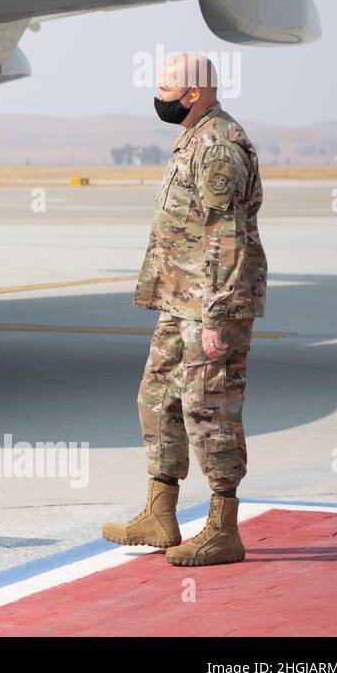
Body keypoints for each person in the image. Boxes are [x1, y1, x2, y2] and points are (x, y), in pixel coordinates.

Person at [102, 53, 267, 567]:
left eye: (167, 87)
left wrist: (217, 315)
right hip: (181, 299)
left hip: (211, 302)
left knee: (209, 408)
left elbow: (226, 235)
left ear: (194, 93)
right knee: (158, 398)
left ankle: (222, 529)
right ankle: (160, 512)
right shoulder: (194, 136)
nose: (159, 96)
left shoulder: (217, 146)